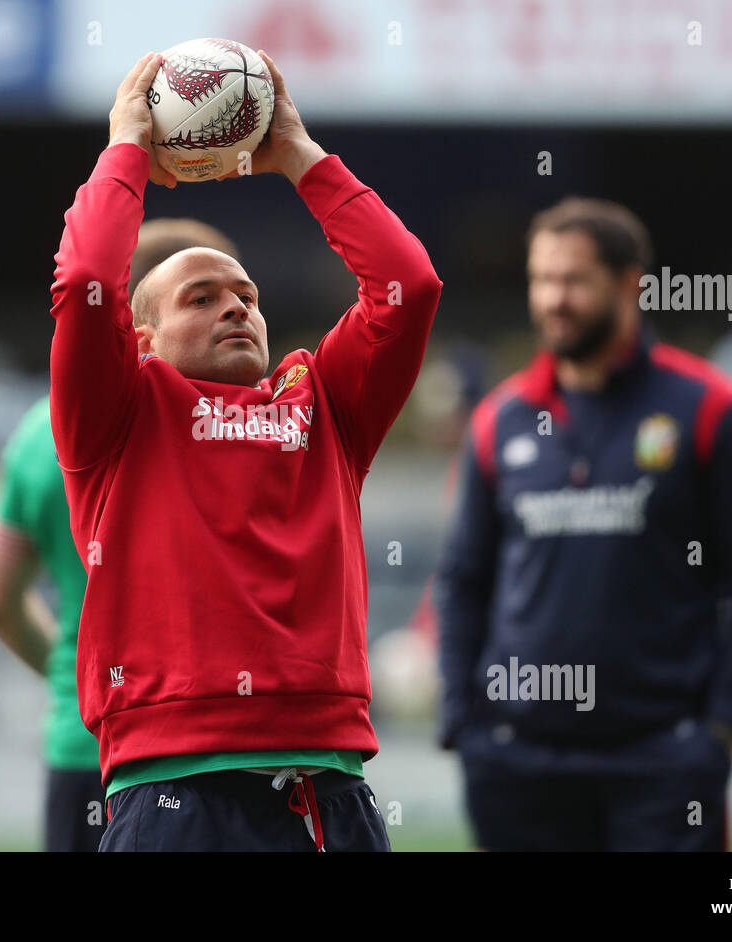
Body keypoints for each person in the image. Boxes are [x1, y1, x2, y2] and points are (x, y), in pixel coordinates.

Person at [49, 51, 442, 851]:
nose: (236, 307)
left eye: (247, 296)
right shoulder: (117, 415)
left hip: (328, 785)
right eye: (202, 297)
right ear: (142, 338)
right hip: (174, 788)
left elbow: (409, 287)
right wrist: (127, 147)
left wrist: (298, 154)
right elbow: (89, 275)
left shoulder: (321, 401)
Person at [435, 197, 732, 851]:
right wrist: (462, 722)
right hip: (517, 763)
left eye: (574, 280)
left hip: (662, 760)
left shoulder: (710, 411)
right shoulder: (500, 420)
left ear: (631, 285)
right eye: (542, 280)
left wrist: (722, 731)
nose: (554, 299)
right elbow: (462, 579)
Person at [0, 218, 240, 851]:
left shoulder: (40, 434)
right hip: (208, 746)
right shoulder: (242, 420)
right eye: (206, 295)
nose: (234, 308)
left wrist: (78, 680)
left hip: (85, 741)